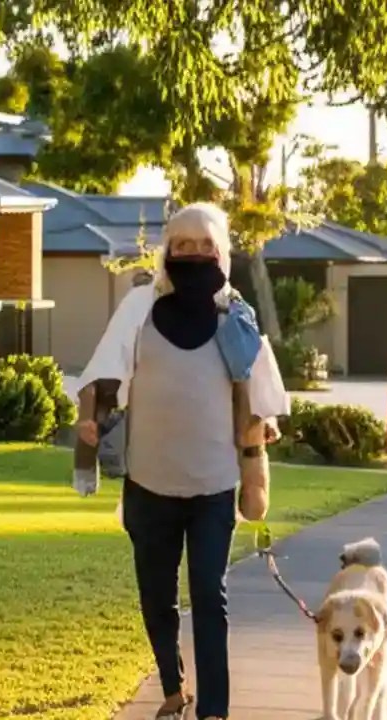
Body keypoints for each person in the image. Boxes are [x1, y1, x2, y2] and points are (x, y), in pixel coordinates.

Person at [73, 203, 289, 720]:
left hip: (214, 485)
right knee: (156, 599)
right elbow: (103, 373)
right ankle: (173, 688)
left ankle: (214, 709)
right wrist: (89, 423)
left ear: (222, 253)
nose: (193, 253)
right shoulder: (140, 307)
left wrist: (254, 459)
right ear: (167, 250)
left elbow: (260, 396)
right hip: (150, 484)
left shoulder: (235, 316)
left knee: (209, 598)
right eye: (182, 245)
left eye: (204, 245)